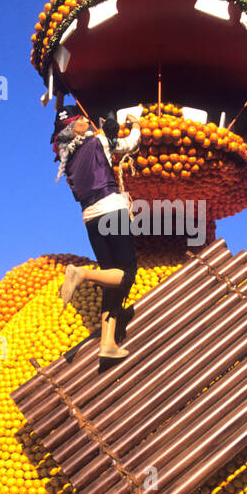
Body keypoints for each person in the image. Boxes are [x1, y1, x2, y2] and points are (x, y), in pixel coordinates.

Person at [52, 103, 142, 363]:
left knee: (111, 279)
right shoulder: (98, 142)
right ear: (76, 126)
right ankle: (81, 273)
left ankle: (107, 343)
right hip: (111, 209)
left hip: (90, 219)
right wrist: (135, 124)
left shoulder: (68, 160)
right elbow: (130, 144)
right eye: (81, 120)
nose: (86, 122)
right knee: (126, 274)